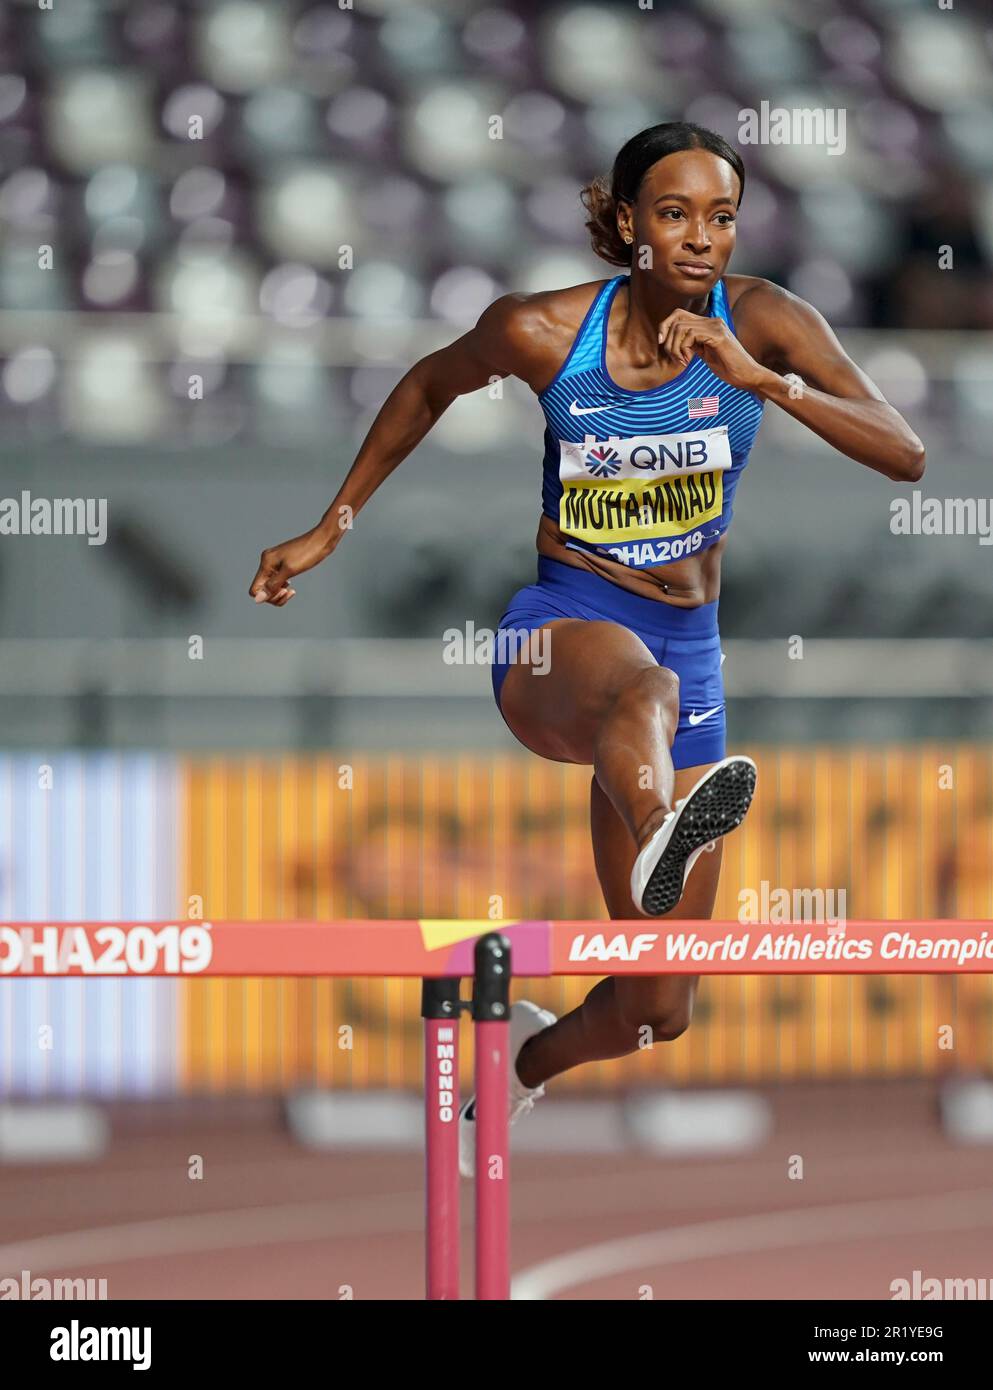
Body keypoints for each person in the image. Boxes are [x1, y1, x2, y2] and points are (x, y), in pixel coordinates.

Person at [250, 123, 925, 1175]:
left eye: (722, 217)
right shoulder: (542, 330)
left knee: (660, 1007)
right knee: (638, 688)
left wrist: (764, 380)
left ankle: (521, 1064)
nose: (702, 238)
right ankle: (662, 830)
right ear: (623, 222)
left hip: (689, 648)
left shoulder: (767, 321)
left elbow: (907, 453)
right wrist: (331, 524)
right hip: (560, 635)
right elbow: (430, 383)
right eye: (673, 214)